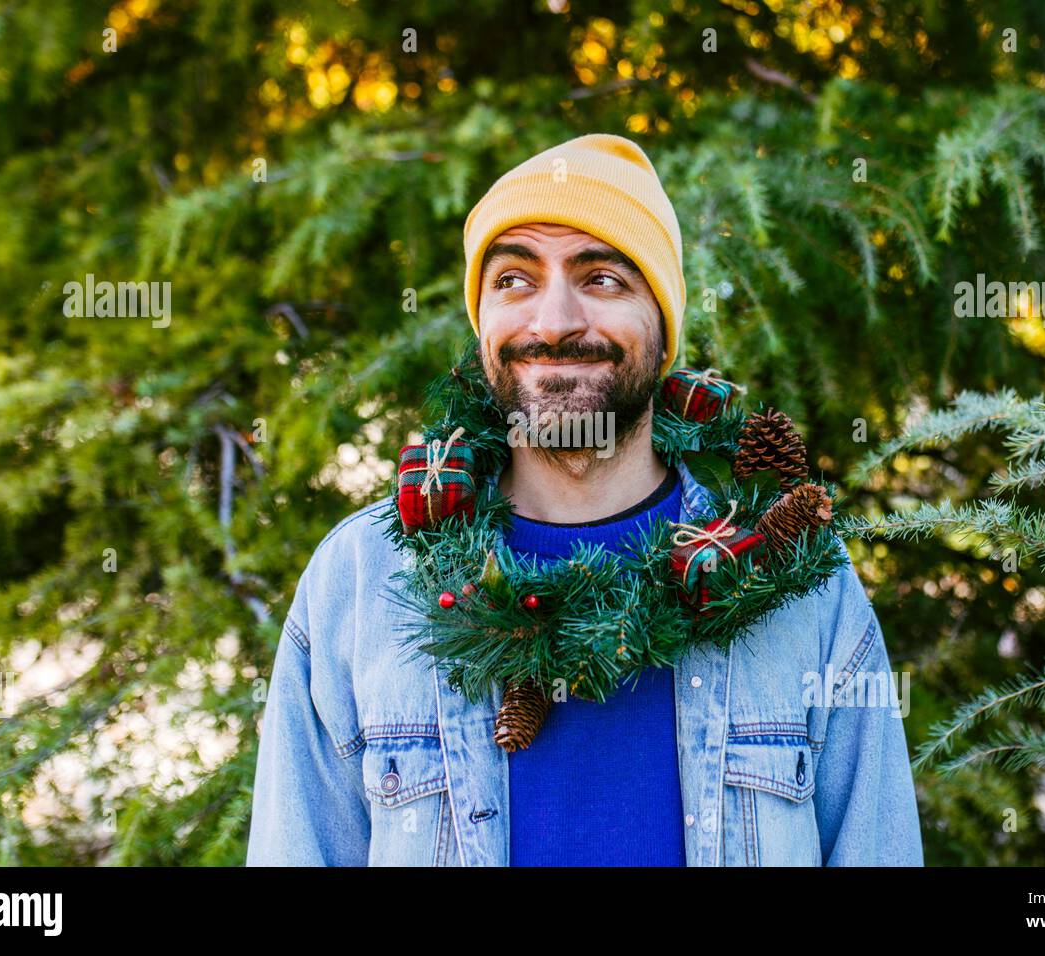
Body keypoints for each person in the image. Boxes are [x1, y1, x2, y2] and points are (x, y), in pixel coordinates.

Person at [246, 133, 924, 866]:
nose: (553, 322)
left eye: (601, 277)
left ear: (662, 329)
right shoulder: (360, 580)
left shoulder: (791, 580)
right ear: (482, 325)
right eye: (513, 280)